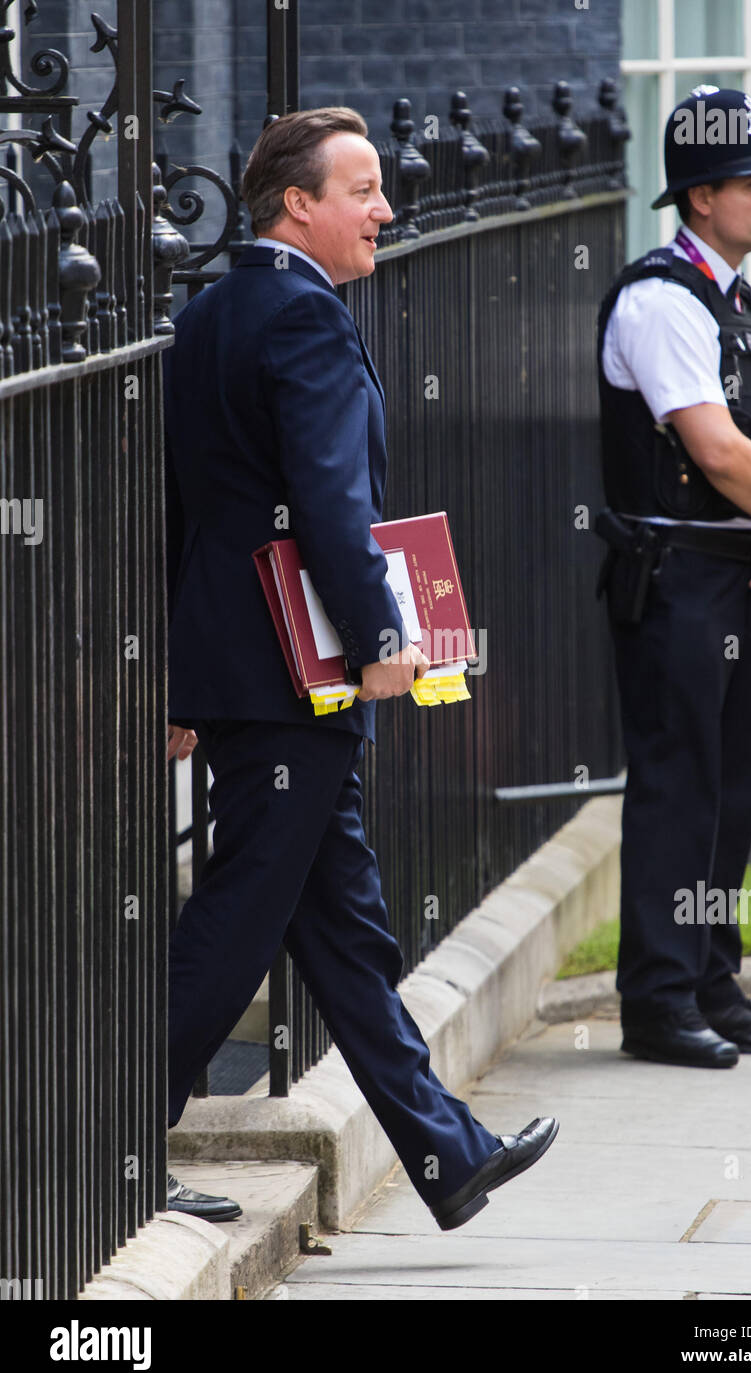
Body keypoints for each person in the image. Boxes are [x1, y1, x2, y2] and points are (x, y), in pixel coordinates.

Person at [162, 107, 558, 1230]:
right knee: (241, 912)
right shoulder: (304, 320)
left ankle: (446, 1152)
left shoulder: (207, 315)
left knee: (341, 926)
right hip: (299, 681)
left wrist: (184, 681)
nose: (385, 209)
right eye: (364, 189)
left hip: (239, 671)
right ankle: (114, 1150)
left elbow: (184, 517)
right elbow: (334, 507)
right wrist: (383, 640)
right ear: (300, 204)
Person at [594, 87, 751, 1069]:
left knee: (730, 788)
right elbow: (716, 448)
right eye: (749, 183)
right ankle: (655, 1001)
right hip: (678, 574)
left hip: (740, 571)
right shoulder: (658, 299)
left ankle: (710, 983)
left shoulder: (740, 298)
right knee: (677, 786)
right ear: (697, 198)